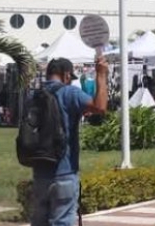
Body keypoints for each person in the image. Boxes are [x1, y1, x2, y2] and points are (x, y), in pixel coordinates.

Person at [29, 56, 109, 226]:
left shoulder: (34, 95)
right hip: (64, 171)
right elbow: (100, 107)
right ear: (66, 75)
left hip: (39, 173)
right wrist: (101, 75)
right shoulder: (69, 92)